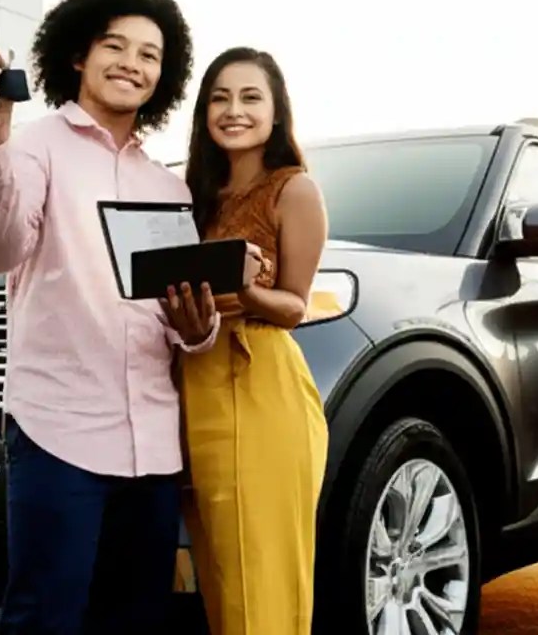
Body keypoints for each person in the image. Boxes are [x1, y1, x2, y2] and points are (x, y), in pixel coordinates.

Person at [0, 0, 259, 635]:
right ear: (78, 56)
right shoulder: (31, 144)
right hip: (58, 430)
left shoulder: (169, 186)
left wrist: (198, 326)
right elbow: (3, 249)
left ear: (164, 74)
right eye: (115, 45)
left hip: (151, 446)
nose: (132, 63)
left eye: (150, 54)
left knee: (135, 620)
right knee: (45, 618)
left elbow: (182, 324)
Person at [167, 47, 330, 635]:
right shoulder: (192, 194)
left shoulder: (295, 190)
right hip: (191, 379)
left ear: (277, 111)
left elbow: (293, 305)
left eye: (250, 97)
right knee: (216, 572)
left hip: (259, 378)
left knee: (262, 573)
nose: (233, 110)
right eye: (219, 97)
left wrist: (246, 289)